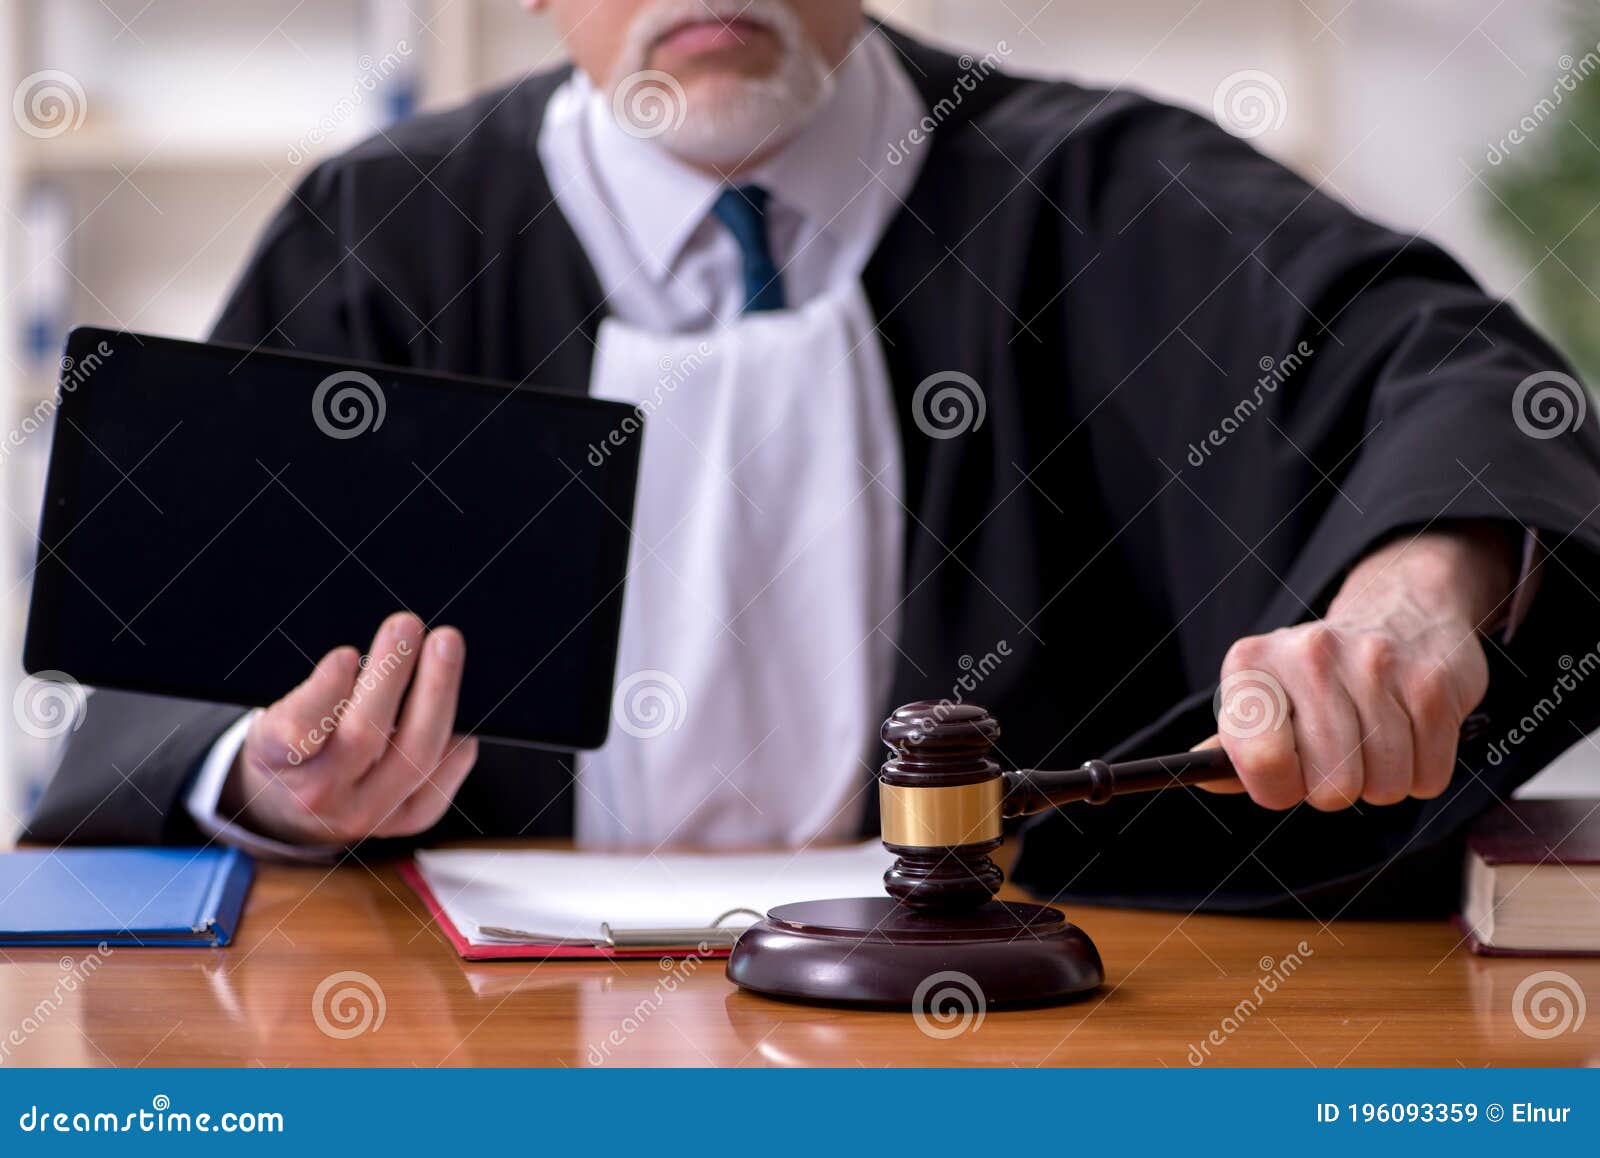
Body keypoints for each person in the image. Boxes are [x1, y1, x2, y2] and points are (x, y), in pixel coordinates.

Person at [27, 0, 1600, 916]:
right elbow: (165, 692)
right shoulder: (385, 232)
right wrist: (286, 785)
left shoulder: (1098, 188)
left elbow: (1466, 385)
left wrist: (1421, 578)